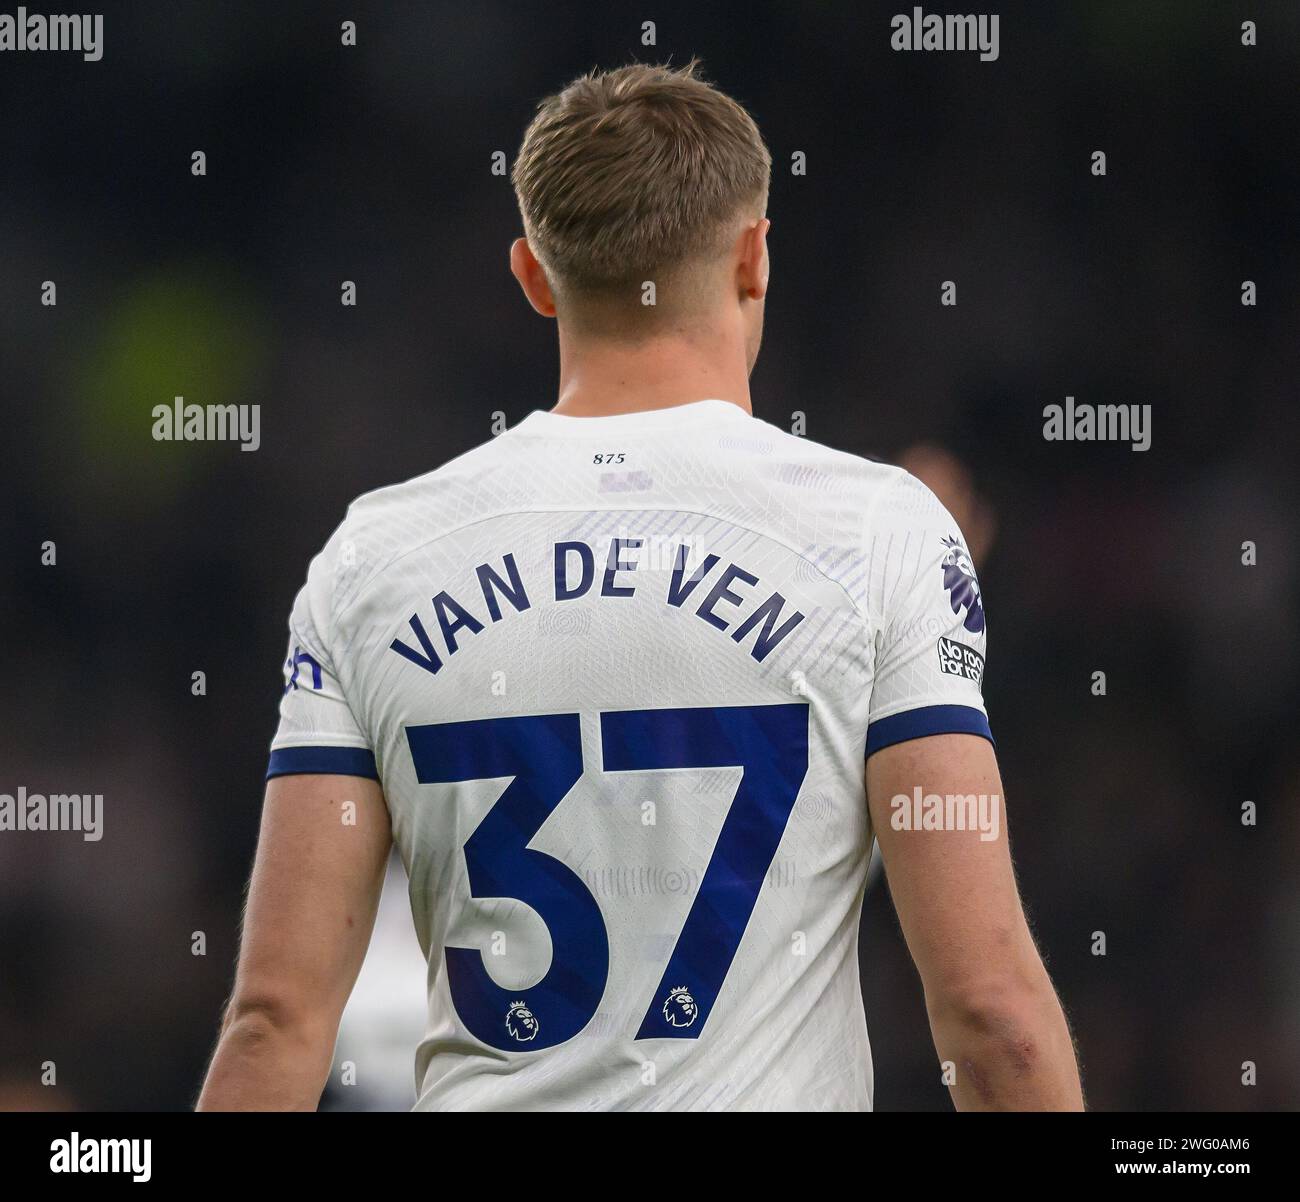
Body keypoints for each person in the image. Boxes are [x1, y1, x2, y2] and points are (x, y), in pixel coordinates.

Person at [197, 61, 1082, 1112]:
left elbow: (276, 1021)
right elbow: (992, 1017)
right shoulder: (879, 533)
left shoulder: (371, 558)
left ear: (532, 275)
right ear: (754, 256)